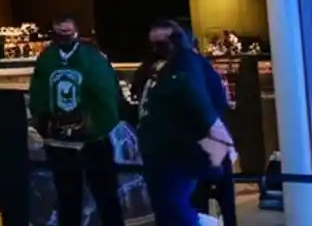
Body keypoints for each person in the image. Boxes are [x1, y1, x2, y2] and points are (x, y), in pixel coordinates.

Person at [28, 16, 124, 226]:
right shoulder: (46, 58)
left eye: (68, 31)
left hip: (93, 140)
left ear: (76, 32)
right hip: (59, 142)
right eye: (59, 31)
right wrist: (44, 122)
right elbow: (38, 93)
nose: (64, 35)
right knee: (67, 198)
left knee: (106, 195)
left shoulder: (94, 58)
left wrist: (94, 123)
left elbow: (106, 92)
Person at [138, 21, 225, 226]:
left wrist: (215, 146)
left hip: (179, 151)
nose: (156, 48)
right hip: (159, 151)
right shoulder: (158, 68)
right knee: (167, 207)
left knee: (175, 206)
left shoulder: (189, 66)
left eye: (162, 42)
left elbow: (209, 106)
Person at [189, 41, 238, 226]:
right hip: (218, 142)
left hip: (200, 145)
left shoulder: (186, 72)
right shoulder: (209, 70)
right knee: (226, 204)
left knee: (198, 205)